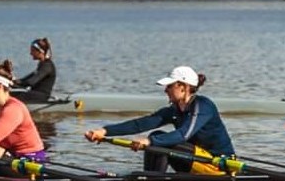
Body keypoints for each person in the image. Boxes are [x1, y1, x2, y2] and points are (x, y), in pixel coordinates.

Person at [84, 66, 235, 175]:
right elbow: (140, 124)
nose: (165, 90)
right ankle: (150, 179)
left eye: (169, 86)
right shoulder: (174, 110)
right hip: (196, 160)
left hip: (219, 165)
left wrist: (150, 142)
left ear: (183, 86)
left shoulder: (203, 106)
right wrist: (104, 131)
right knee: (157, 134)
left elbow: (183, 135)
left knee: (160, 139)